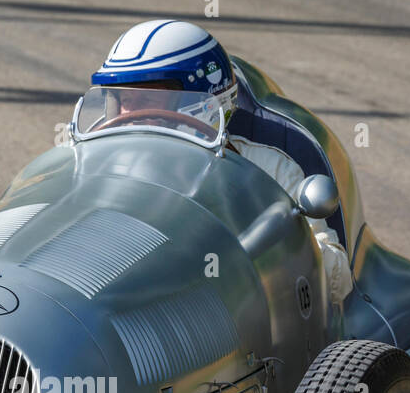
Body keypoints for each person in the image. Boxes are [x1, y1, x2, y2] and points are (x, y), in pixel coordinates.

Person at [90, 19, 352, 301]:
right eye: (122, 99)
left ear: (202, 100)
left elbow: (337, 283)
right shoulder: (98, 162)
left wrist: (271, 242)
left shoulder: (268, 168)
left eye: (148, 98)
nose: (130, 112)